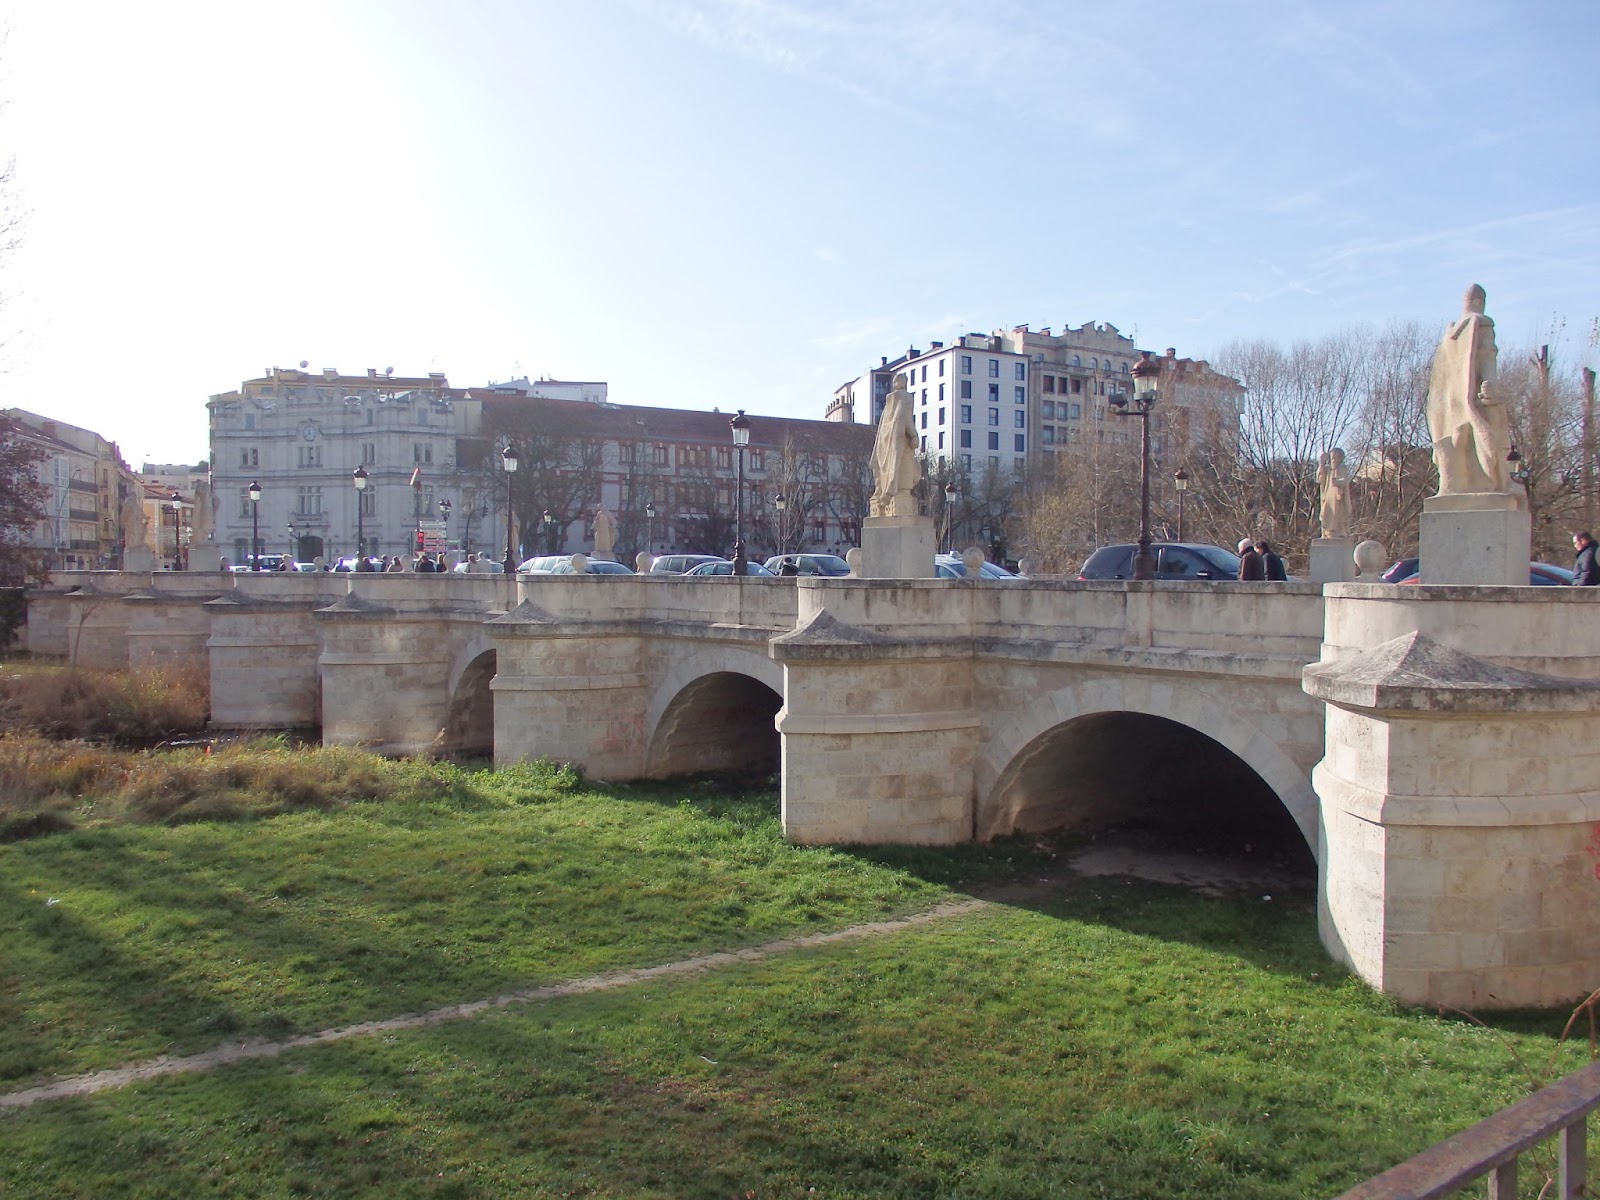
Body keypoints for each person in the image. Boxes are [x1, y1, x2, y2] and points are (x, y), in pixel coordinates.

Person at [1427, 284, 1510, 495]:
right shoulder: (1482, 324)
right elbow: (1488, 357)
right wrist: (1493, 390)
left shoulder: (1449, 337)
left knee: (1456, 441)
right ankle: (1493, 483)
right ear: (1481, 302)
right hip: (1477, 397)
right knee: (1488, 441)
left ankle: (1456, 486)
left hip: (1449, 405)